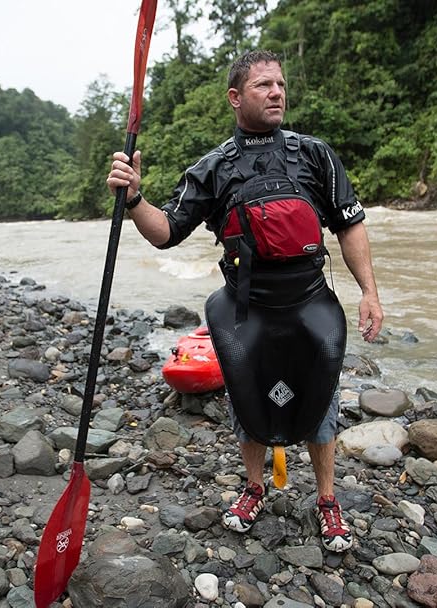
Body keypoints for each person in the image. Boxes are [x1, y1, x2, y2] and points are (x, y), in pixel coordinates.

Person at [106, 50, 383, 552]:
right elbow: (166, 232)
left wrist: (369, 292)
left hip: (308, 302)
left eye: (280, 84)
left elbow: (349, 224)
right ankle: (255, 487)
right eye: (263, 85)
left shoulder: (315, 155)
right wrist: (134, 199)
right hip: (246, 307)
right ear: (235, 97)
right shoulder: (213, 168)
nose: (276, 92)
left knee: (321, 398)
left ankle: (327, 498)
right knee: (247, 399)